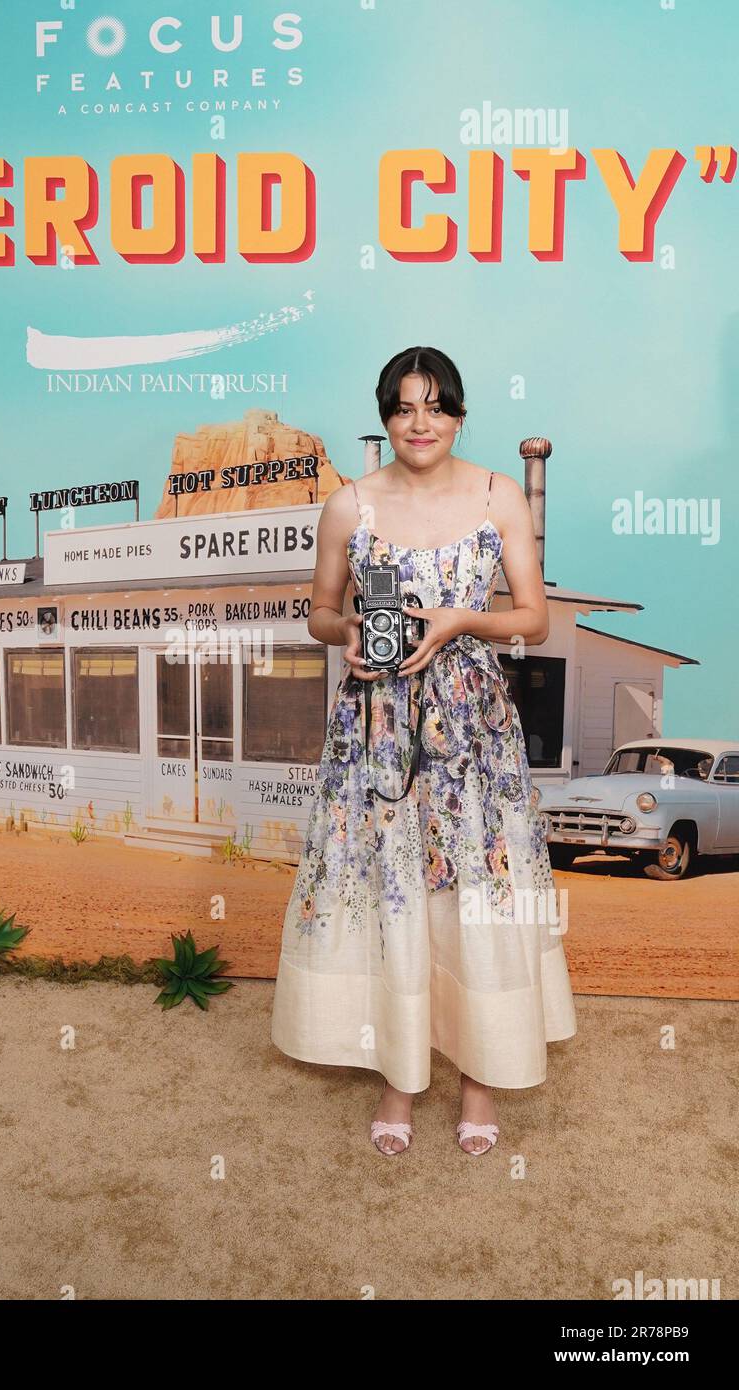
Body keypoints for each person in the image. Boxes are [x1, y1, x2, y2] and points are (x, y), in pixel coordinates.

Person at [270, 346, 577, 1156]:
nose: (421, 423)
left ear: (460, 415)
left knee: (476, 888)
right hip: (378, 724)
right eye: (405, 409)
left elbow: (534, 619)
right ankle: (400, 1078)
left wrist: (459, 620)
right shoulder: (350, 505)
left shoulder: (497, 494)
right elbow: (318, 612)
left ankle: (481, 1075)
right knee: (394, 885)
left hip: (472, 726)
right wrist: (349, 643)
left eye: (436, 407)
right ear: (385, 419)